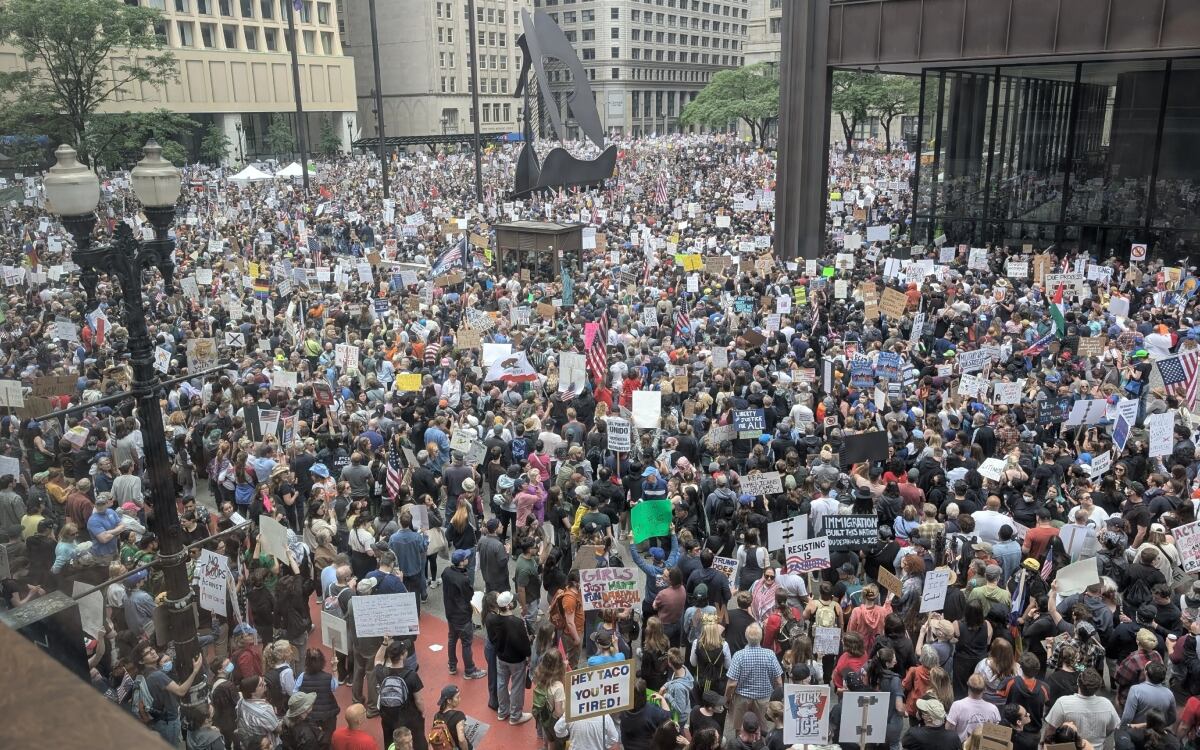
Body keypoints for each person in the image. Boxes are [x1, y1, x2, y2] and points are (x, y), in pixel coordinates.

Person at [132, 643, 204, 746]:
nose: (152, 652)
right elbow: (180, 691)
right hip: (169, 721)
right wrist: (195, 671)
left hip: (159, 720)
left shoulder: (144, 674)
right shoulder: (157, 676)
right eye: (147, 653)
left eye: (151, 649)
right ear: (141, 661)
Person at [725, 624, 783, 741]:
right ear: (761, 638)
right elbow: (778, 681)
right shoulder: (770, 655)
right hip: (764, 699)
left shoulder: (739, 655)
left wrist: (727, 699)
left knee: (741, 729)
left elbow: (732, 684)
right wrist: (777, 699)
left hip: (742, 699)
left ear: (746, 637)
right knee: (762, 729)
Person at [1043, 669, 1119, 750]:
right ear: (1098, 687)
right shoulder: (1107, 704)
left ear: (1078, 683)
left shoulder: (1063, 702)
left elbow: (1051, 729)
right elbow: (1112, 728)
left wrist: (1044, 744)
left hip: (1069, 748)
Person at [374, 638, 426, 750]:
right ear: (403, 655)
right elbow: (418, 700)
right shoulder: (411, 675)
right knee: (416, 743)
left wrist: (384, 642)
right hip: (409, 718)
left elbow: (377, 659)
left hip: (388, 718)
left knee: (391, 743)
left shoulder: (382, 673)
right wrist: (422, 712)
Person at [442, 548, 486, 679]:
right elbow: (469, 595)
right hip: (462, 615)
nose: (468, 558)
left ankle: (452, 665)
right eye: (466, 557)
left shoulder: (446, 572)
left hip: (450, 612)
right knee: (466, 643)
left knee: (452, 639)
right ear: (462, 562)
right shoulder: (463, 579)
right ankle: (469, 670)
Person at [492, 590, 534, 725]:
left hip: (501, 657)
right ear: (509, 605)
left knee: (502, 683)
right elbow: (523, 643)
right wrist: (528, 655)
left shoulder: (494, 619)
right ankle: (515, 716)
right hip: (516, 660)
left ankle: (503, 711)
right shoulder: (517, 623)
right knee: (516, 686)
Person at [945, 674, 999, 742]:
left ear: (968, 685)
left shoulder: (957, 705)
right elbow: (996, 734)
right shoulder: (993, 709)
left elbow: (948, 729)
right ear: (984, 689)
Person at [431, 685, 472, 750]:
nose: (460, 699)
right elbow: (461, 740)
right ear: (449, 701)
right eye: (457, 697)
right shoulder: (458, 716)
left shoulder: (436, 716)